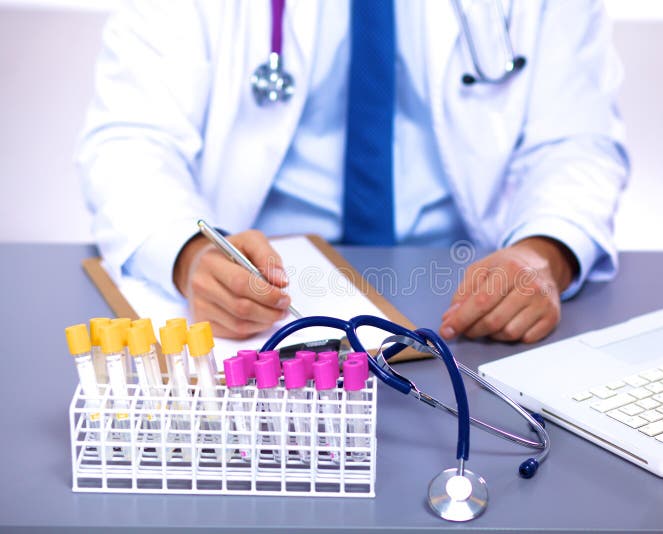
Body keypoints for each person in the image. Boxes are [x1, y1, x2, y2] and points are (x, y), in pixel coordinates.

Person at [77, 0, 629, 343]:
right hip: (266, 294)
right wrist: (189, 254)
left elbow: (577, 141)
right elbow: (131, 140)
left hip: (458, 292)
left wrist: (543, 253)